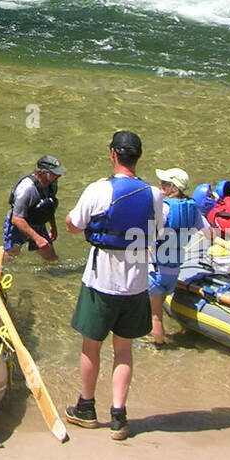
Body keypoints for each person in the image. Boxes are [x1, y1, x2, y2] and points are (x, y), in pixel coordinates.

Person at [63, 130, 162, 440]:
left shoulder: (98, 190)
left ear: (112, 154)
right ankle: (119, 417)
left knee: (91, 346)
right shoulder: (154, 194)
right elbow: (157, 234)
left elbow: (73, 226)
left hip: (100, 281)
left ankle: (86, 408)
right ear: (139, 156)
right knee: (124, 350)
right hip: (135, 285)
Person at [148, 167, 211, 347]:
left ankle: (158, 344)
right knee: (157, 308)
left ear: (173, 188)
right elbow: (209, 233)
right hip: (174, 271)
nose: (160, 185)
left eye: (164, 183)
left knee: (155, 314)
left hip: (157, 271)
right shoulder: (193, 209)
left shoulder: (164, 208)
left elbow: (149, 234)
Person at [3, 155, 65, 262]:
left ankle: (49, 278)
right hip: (19, 224)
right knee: (10, 256)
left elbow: (48, 206)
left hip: (38, 222)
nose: (59, 176)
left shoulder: (52, 185)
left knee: (51, 258)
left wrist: (53, 226)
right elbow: (16, 219)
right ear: (44, 173)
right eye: (55, 173)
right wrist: (37, 238)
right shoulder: (27, 189)